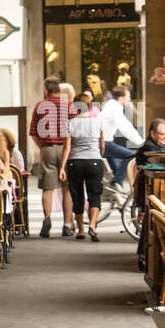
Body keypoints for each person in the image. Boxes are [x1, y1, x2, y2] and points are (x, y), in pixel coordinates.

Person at [28, 76, 78, 236]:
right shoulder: (70, 106)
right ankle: (67, 223)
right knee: (67, 188)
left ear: (46, 90)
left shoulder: (40, 106)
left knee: (47, 188)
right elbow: (76, 131)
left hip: (47, 148)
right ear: (59, 90)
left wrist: (42, 147)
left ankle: (47, 218)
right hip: (66, 148)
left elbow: (33, 132)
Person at [60, 102, 108, 242]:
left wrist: (62, 167)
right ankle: (92, 226)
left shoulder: (70, 123)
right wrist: (99, 156)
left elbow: (67, 147)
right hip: (94, 160)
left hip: (75, 162)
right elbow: (102, 145)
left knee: (77, 196)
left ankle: (81, 230)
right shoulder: (98, 122)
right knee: (94, 194)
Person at [100, 86, 142, 187]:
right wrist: (141, 142)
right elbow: (125, 128)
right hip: (104, 142)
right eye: (128, 96)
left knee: (117, 169)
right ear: (121, 97)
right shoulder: (115, 108)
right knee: (132, 156)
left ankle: (116, 189)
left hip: (104, 141)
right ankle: (116, 183)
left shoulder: (111, 105)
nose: (130, 99)